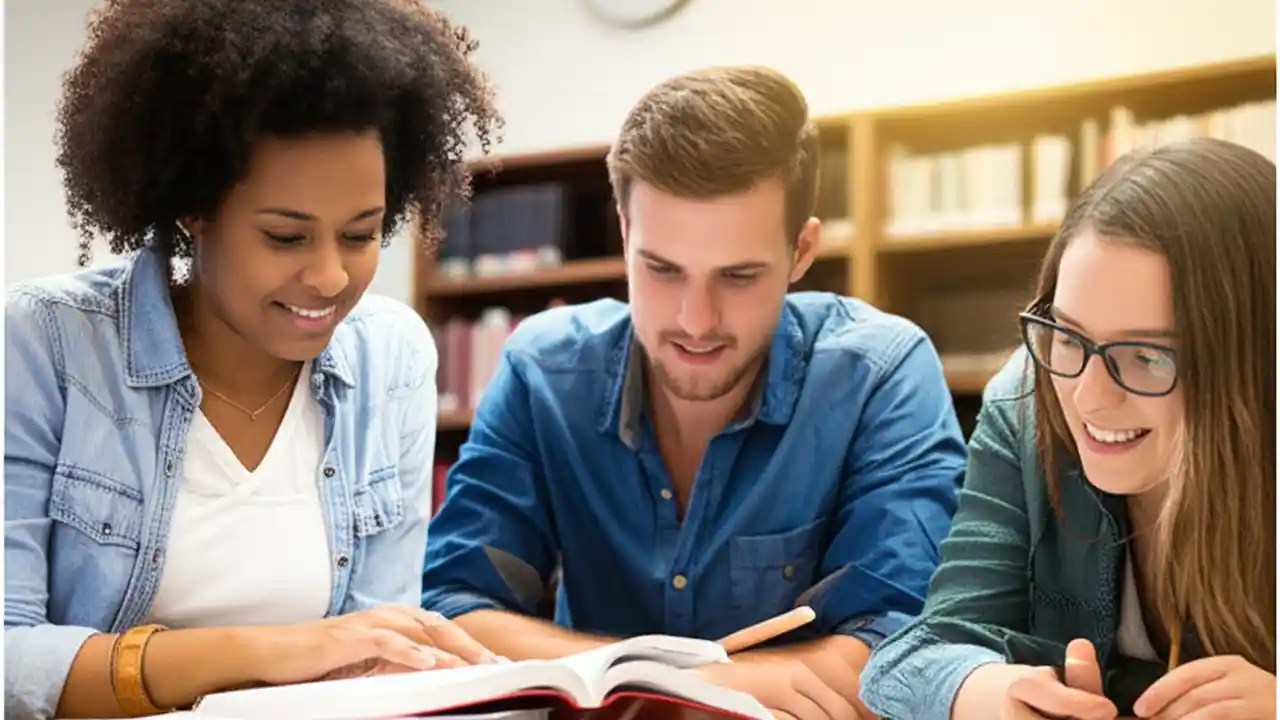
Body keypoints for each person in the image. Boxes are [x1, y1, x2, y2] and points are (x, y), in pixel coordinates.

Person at [4, 1, 506, 718]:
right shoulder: (47, 343)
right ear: (193, 209)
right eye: (285, 237)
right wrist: (268, 651)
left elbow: (381, 651)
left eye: (361, 235)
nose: (331, 278)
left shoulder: (390, 359)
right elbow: (8, 657)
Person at [421, 65, 967, 720]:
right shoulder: (542, 373)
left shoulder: (880, 374)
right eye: (661, 270)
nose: (695, 320)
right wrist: (690, 682)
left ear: (801, 250)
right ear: (625, 236)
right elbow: (453, 612)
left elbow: (903, 647)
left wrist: (606, 678)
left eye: (738, 276)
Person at [859, 137, 1276, 720]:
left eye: (1149, 356)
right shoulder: (1027, 400)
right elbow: (911, 660)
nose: (1089, 397)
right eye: (1070, 335)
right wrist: (991, 695)